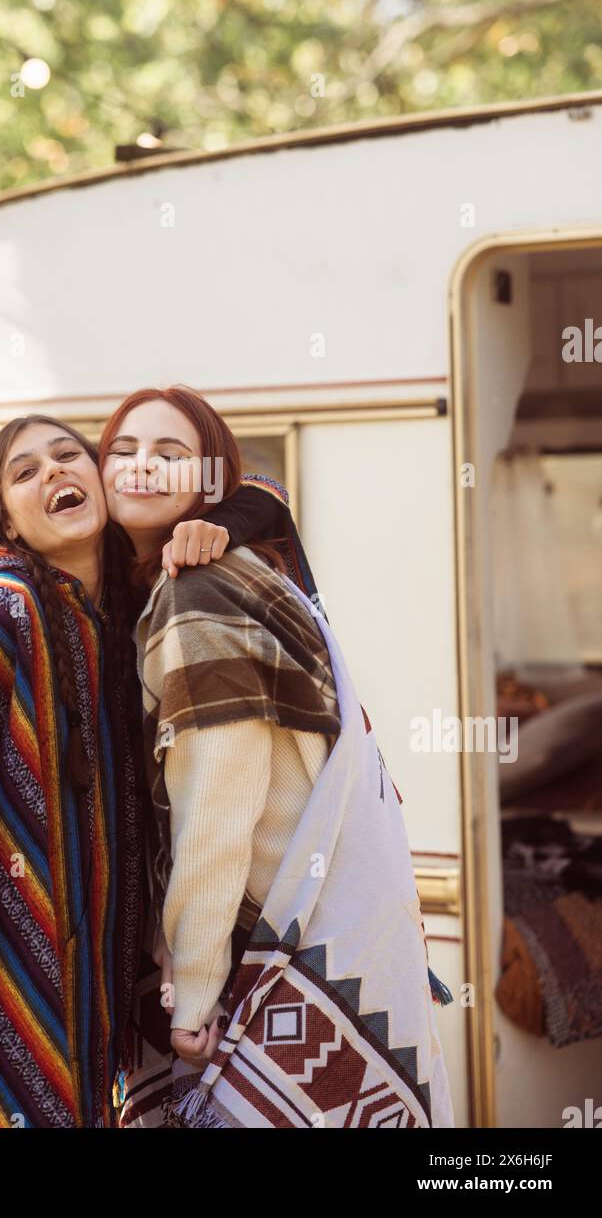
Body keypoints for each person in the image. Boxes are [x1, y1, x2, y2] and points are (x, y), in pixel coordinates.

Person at [0, 413, 306, 1128]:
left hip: (77, 998)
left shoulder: (125, 612)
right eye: (24, 471)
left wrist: (227, 519)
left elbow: (267, 488)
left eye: (70, 455)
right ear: (7, 521)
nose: (54, 473)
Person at [100, 386, 456, 1129]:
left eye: (169, 454)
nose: (140, 466)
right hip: (344, 931)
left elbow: (217, 812)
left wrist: (192, 989)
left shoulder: (198, 595)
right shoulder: (233, 573)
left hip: (279, 951)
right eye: (122, 451)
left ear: (208, 483)